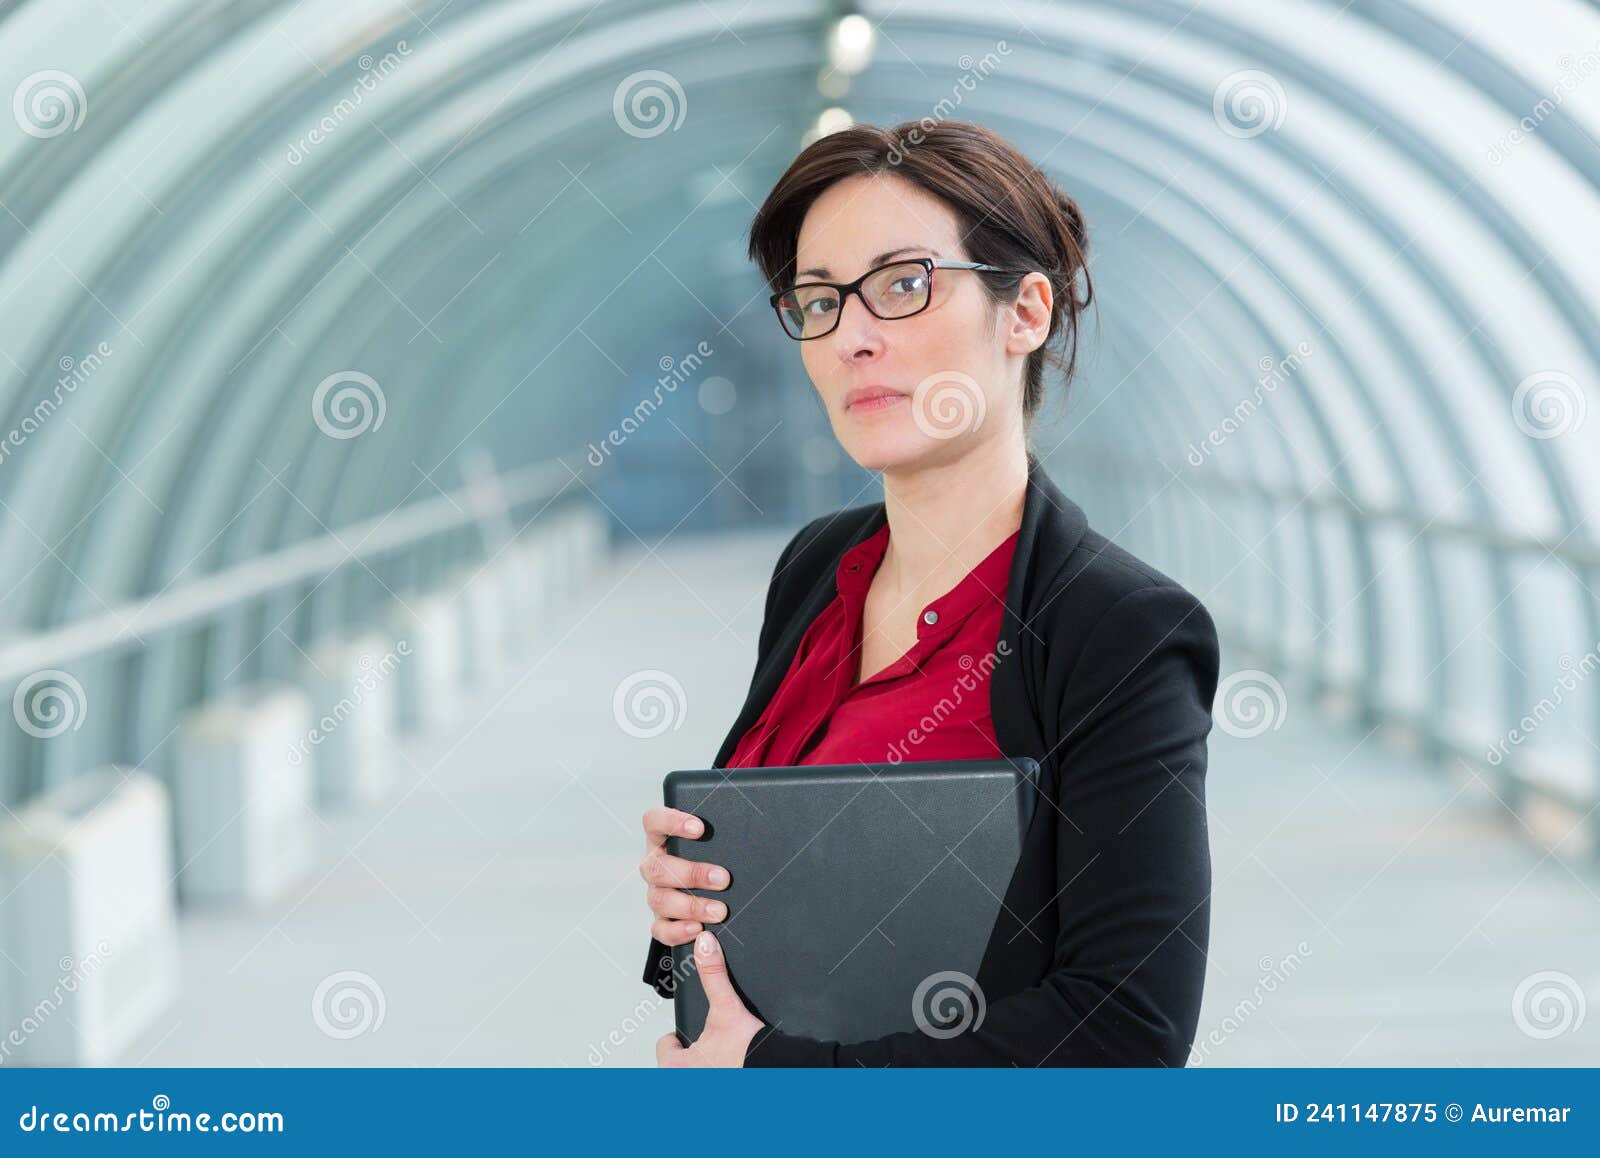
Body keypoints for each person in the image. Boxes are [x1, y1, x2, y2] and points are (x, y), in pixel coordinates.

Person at [638, 119, 1220, 1067]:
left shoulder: (1114, 628)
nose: (852, 338)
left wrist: (775, 1076)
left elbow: (1126, 1033)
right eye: (818, 299)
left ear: (1025, 313)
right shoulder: (818, 572)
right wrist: (695, 908)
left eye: (904, 285)